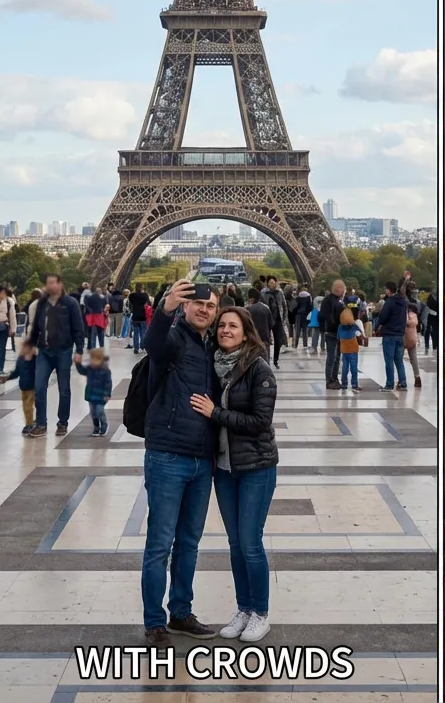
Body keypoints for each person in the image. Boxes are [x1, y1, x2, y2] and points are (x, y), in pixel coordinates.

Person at [190, 305, 278, 642]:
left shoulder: (259, 368)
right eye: (222, 325)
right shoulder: (213, 366)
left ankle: (261, 613)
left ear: (246, 332)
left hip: (256, 465)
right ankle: (244, 608)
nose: (226, 330)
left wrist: (216, 413)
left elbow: (260, 421)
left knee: (250, 542)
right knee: (236, 543)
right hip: (225, 467)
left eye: (233, 326)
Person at [141, 279, 220, 647]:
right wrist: (165, 308)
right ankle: (155, 622)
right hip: (168, 454)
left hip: (202, 459)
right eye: (198, 303)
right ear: (186, 307)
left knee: (189, 542)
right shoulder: (173, 338)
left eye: (211, 305)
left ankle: (181, 612)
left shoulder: (214, 347)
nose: (204, 309)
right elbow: (153, 344)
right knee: (160, 544)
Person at [28, 274, 85, 437]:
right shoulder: (42, 303)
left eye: (53, 283)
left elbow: (78, 327)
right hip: (44, 351)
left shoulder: (70, 303)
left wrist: (79, 350)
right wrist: (31, 344)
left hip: (63, 351)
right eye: (48, 283)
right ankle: (41, 423)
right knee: (39, 388)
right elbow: (36, 326)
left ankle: (62, 422)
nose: (50, 286)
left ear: (60, 285)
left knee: (64, 389)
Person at [374, 280, 408, 392]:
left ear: (388, 290)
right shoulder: (403, 302)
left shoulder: (389, 302)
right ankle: (403, 383)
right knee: (399, 360)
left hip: (389, 334)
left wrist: (377, 326)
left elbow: (383, 316)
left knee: (389, 361)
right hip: (400, 334)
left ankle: (389, 384)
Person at [0, 337, 36, 434]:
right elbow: (16, 372)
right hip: (23, 387)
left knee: (30, 406)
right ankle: (29, 422)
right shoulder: (20, 360)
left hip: (33, 387)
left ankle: (32, 422)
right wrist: (7, 378)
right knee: (26, 406)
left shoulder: (35, 360)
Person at [75, 346, 113, 436]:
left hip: (101, 395)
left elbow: (108, 383)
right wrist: (78, 363)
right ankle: (96, 427)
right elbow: (82, 371)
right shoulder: (90, 369)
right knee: (93, 412)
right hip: (91, 394)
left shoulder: (105, 371)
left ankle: (104, 425)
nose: (91, 361)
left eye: (93, 359)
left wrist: (107, 394)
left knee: (100, 411)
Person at [319, 280, 346, 390]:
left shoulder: (337, 300)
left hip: (337, 331)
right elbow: (324, 316)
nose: (344, 291)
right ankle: (329, 380)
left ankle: (334, 378)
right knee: (332, 357)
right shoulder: (329, 300)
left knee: (337, 357)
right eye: (343, 289)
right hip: (331, 331)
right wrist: (331, 323)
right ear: (339, 288)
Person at [259, 277, 287, 369]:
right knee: (266, 340)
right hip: (267, 319)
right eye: (270, 282)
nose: (272, 284)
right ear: (267, 284)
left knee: (278, 340)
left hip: (278, 319)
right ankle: (266, 360)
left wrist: (284, 318)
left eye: (273, 282)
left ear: (276, 283)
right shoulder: (264, 293)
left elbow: (284, 305)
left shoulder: (279, 292)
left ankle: (276, 360)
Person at [337, 306, 364, 393]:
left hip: (344, 350)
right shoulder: (353, 326)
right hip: (353, 349)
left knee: (345, 367)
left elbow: (338, 336)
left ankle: (344, 384)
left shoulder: (340, 327)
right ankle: (354, 384)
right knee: (353, 367)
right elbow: (360, 333)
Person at [0, 284, 17, 374]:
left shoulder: (9, 302)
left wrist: (13, 329)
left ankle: (0, 368)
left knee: (1, 348)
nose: (3, 294)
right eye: (1, 293)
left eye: (4, 293)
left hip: (4, 326)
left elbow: (12, 316)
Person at [404, 297, 423, 388]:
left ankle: (401, 379)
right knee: (413, 358)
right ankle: (417, 376)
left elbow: (406, 322)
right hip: (413, 339)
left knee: (399, 359)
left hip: (404, 338)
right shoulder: (415, 316)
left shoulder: (406, 315)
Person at [84, 285, 108, 349]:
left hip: (91, 316)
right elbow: (106, 306)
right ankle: (101, 346)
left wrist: (90, 312)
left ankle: (92, 347)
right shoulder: (103, 298)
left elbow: (87, 306)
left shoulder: (88, 296)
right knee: (100, 333)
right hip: (100, 317)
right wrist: (104, 314)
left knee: (92, 333)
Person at [128, 284, 150, 353]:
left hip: (135, 316)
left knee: (136, 333)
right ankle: (142, 346)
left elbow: (130, 302)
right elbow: (148, 301)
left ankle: (136, 348)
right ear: (141, 288)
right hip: (142, 316)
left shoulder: (132, 296)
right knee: (143, 332)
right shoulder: (144, 295)